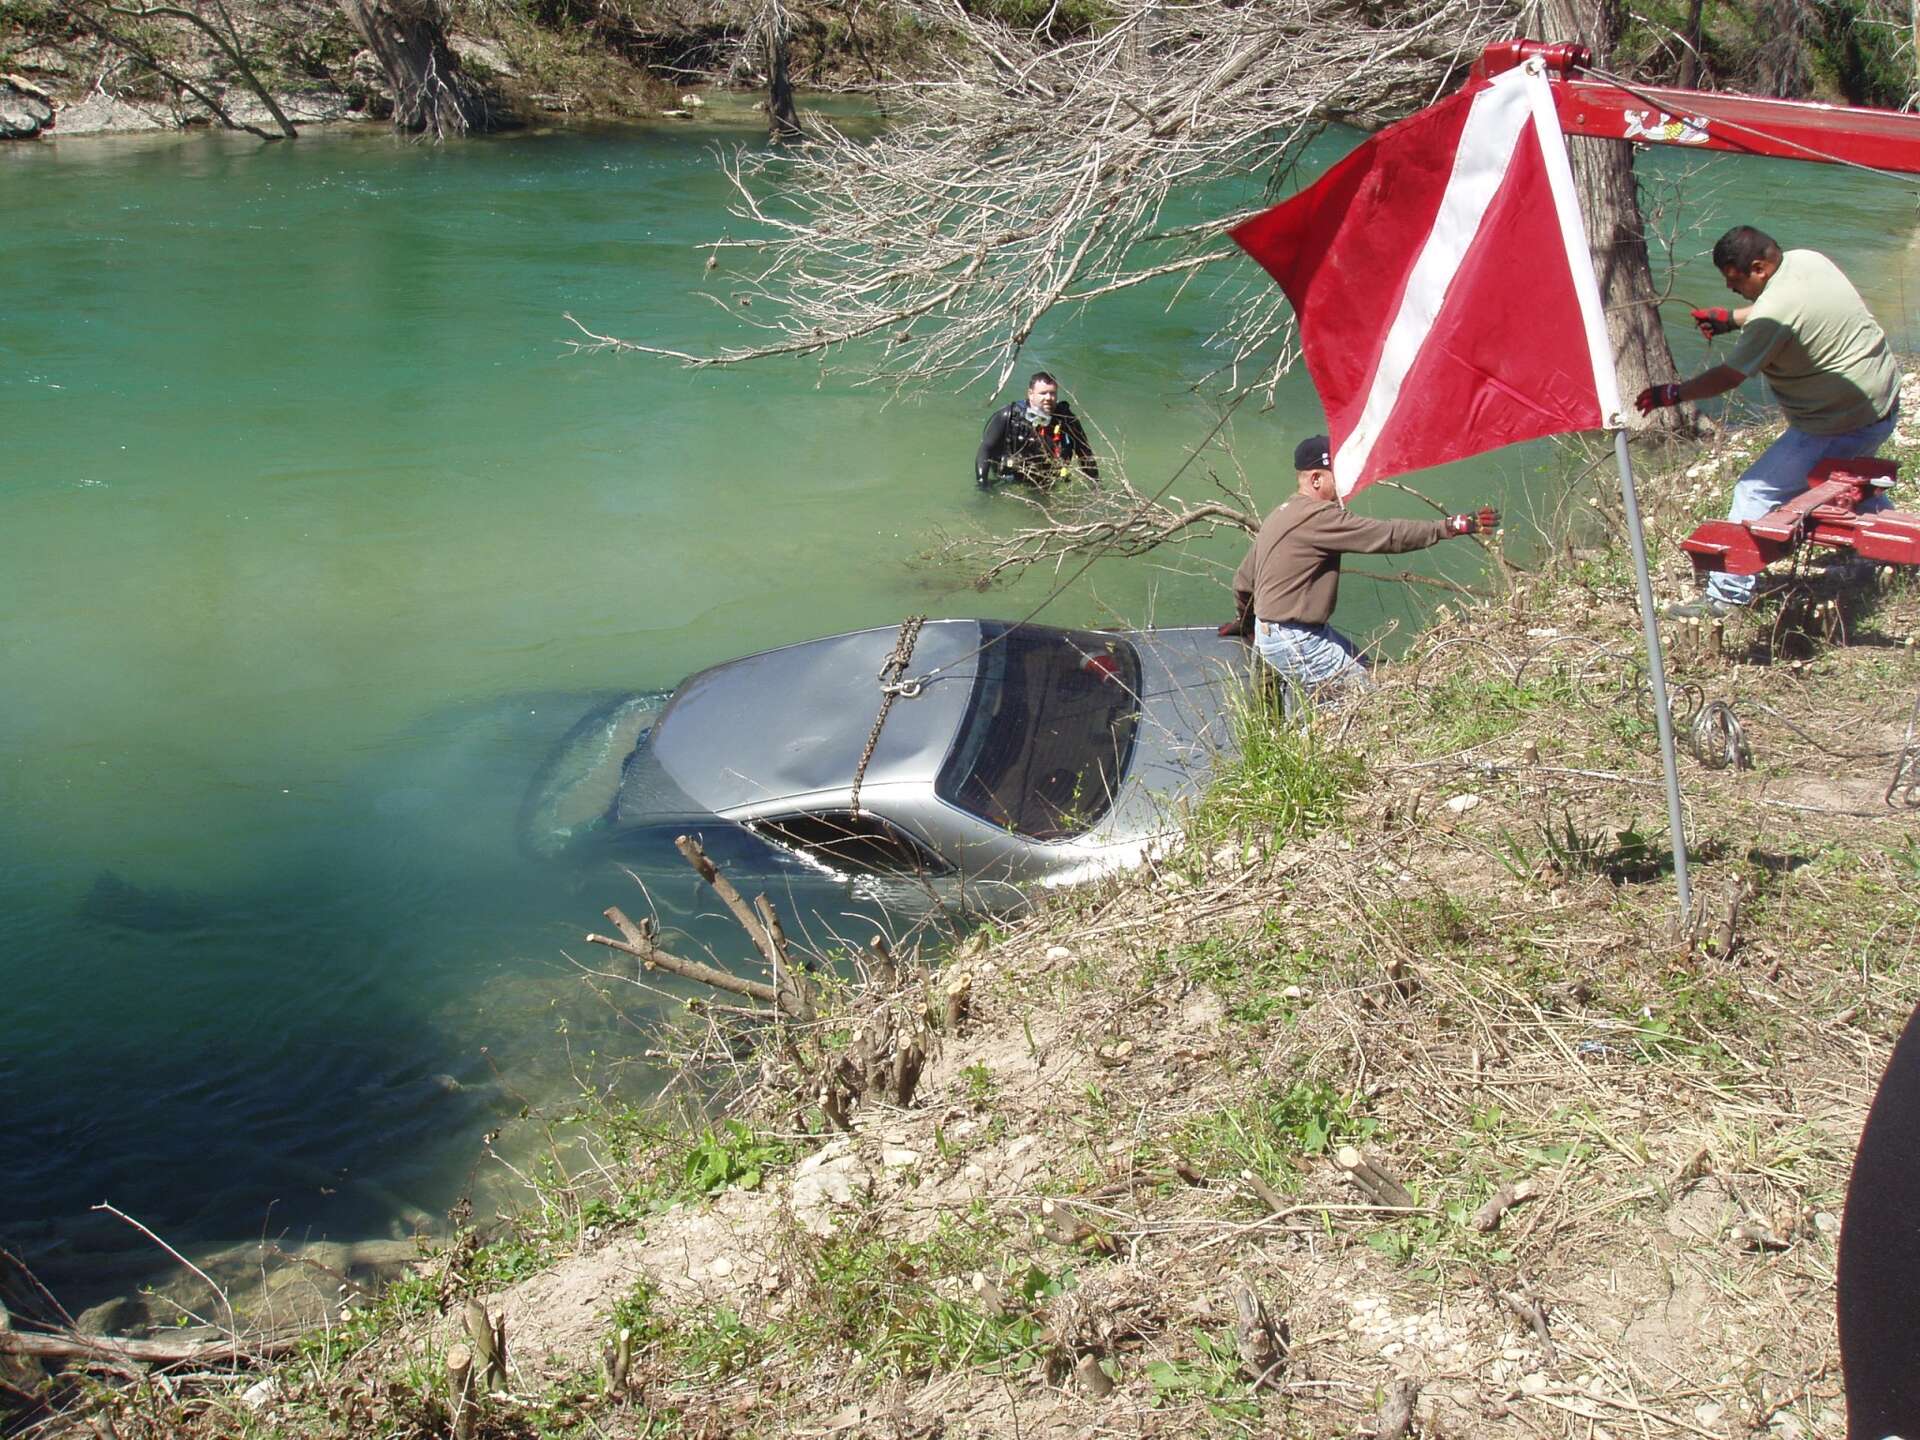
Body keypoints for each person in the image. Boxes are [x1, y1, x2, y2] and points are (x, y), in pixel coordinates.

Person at [1637, 225, 1901, 619]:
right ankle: (1889, 544)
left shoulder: (1770, 318)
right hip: (1884, 399)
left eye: (1734, 279)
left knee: (1754, 492)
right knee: (1852, 480)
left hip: (1841, 420)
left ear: (1759, 268)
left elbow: (1730, 376)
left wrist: (1670, 395)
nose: (1730, 289)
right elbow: (1788, 309)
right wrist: (1730, 319)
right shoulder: (1809, 260)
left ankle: (1727, 595)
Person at [1223, 435, 1496, 693]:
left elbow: (1243, 582)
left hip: (1274, 632)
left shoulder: (1279, 515)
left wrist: (1247, 626)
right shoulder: (1319, 517)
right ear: (1316, 479)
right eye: (1339, 475)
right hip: (1296, 640)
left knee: (1364, 666)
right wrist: (1449, 526)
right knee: (1365, 701)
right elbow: (1386, 535)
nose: (1346, 482)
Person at [975, 372, 1099, 489]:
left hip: (1049, 482)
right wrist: (982, 483)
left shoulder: (1067, 420)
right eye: (1043, 393)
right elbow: (986, 449)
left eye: (1053, 393)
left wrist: (1096, 485)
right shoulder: (1009, 416)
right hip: (1012, 480)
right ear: (1030, 394)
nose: (1049, 398)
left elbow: (1085, 453)